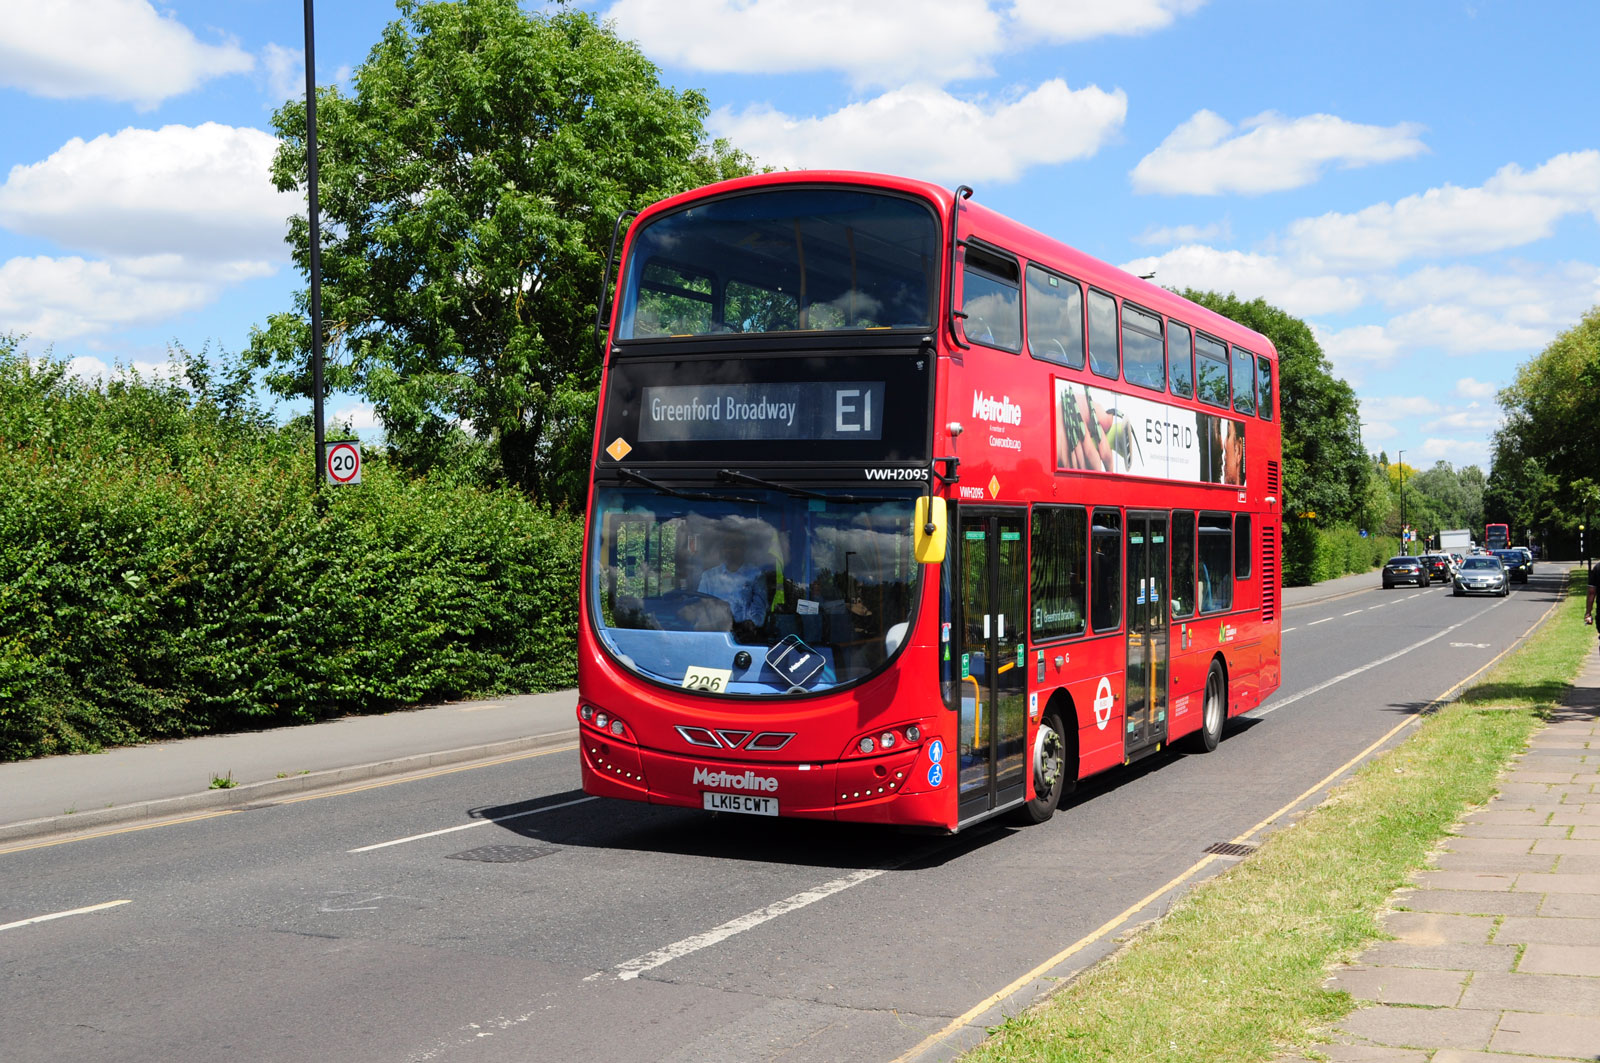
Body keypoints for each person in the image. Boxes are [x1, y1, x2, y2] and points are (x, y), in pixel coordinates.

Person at [698, 526, 768, 637]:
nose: (729, 550)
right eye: (726, 546)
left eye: (734, 546)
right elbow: (701, 609)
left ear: (743, 548)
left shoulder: (756, 575)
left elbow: (759, 612)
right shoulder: (709, 577)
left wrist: (747, 625)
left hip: (745, 636)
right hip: (713, 634)